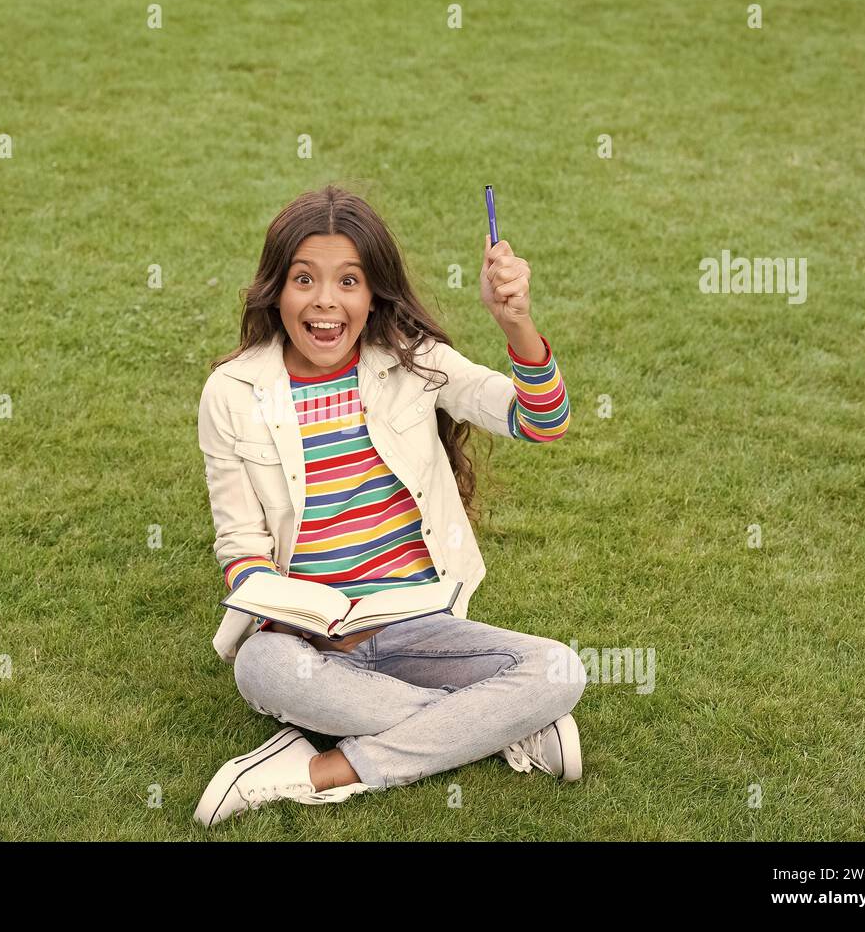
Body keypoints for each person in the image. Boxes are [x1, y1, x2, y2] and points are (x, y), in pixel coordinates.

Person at [194, 184, 585, 828]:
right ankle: (499, 727)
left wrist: (515, 321)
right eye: (304, 279)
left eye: (348, 280)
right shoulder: (232, 391)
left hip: (417, 624)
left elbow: (540, 421)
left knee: (558, 668)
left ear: (373, 293)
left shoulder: (412, 360)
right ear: (275, 289)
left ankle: (315, 768)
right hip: (308, 642)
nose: (325, 301)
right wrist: (285, 605)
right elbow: (241, 549)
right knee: (261, 669)